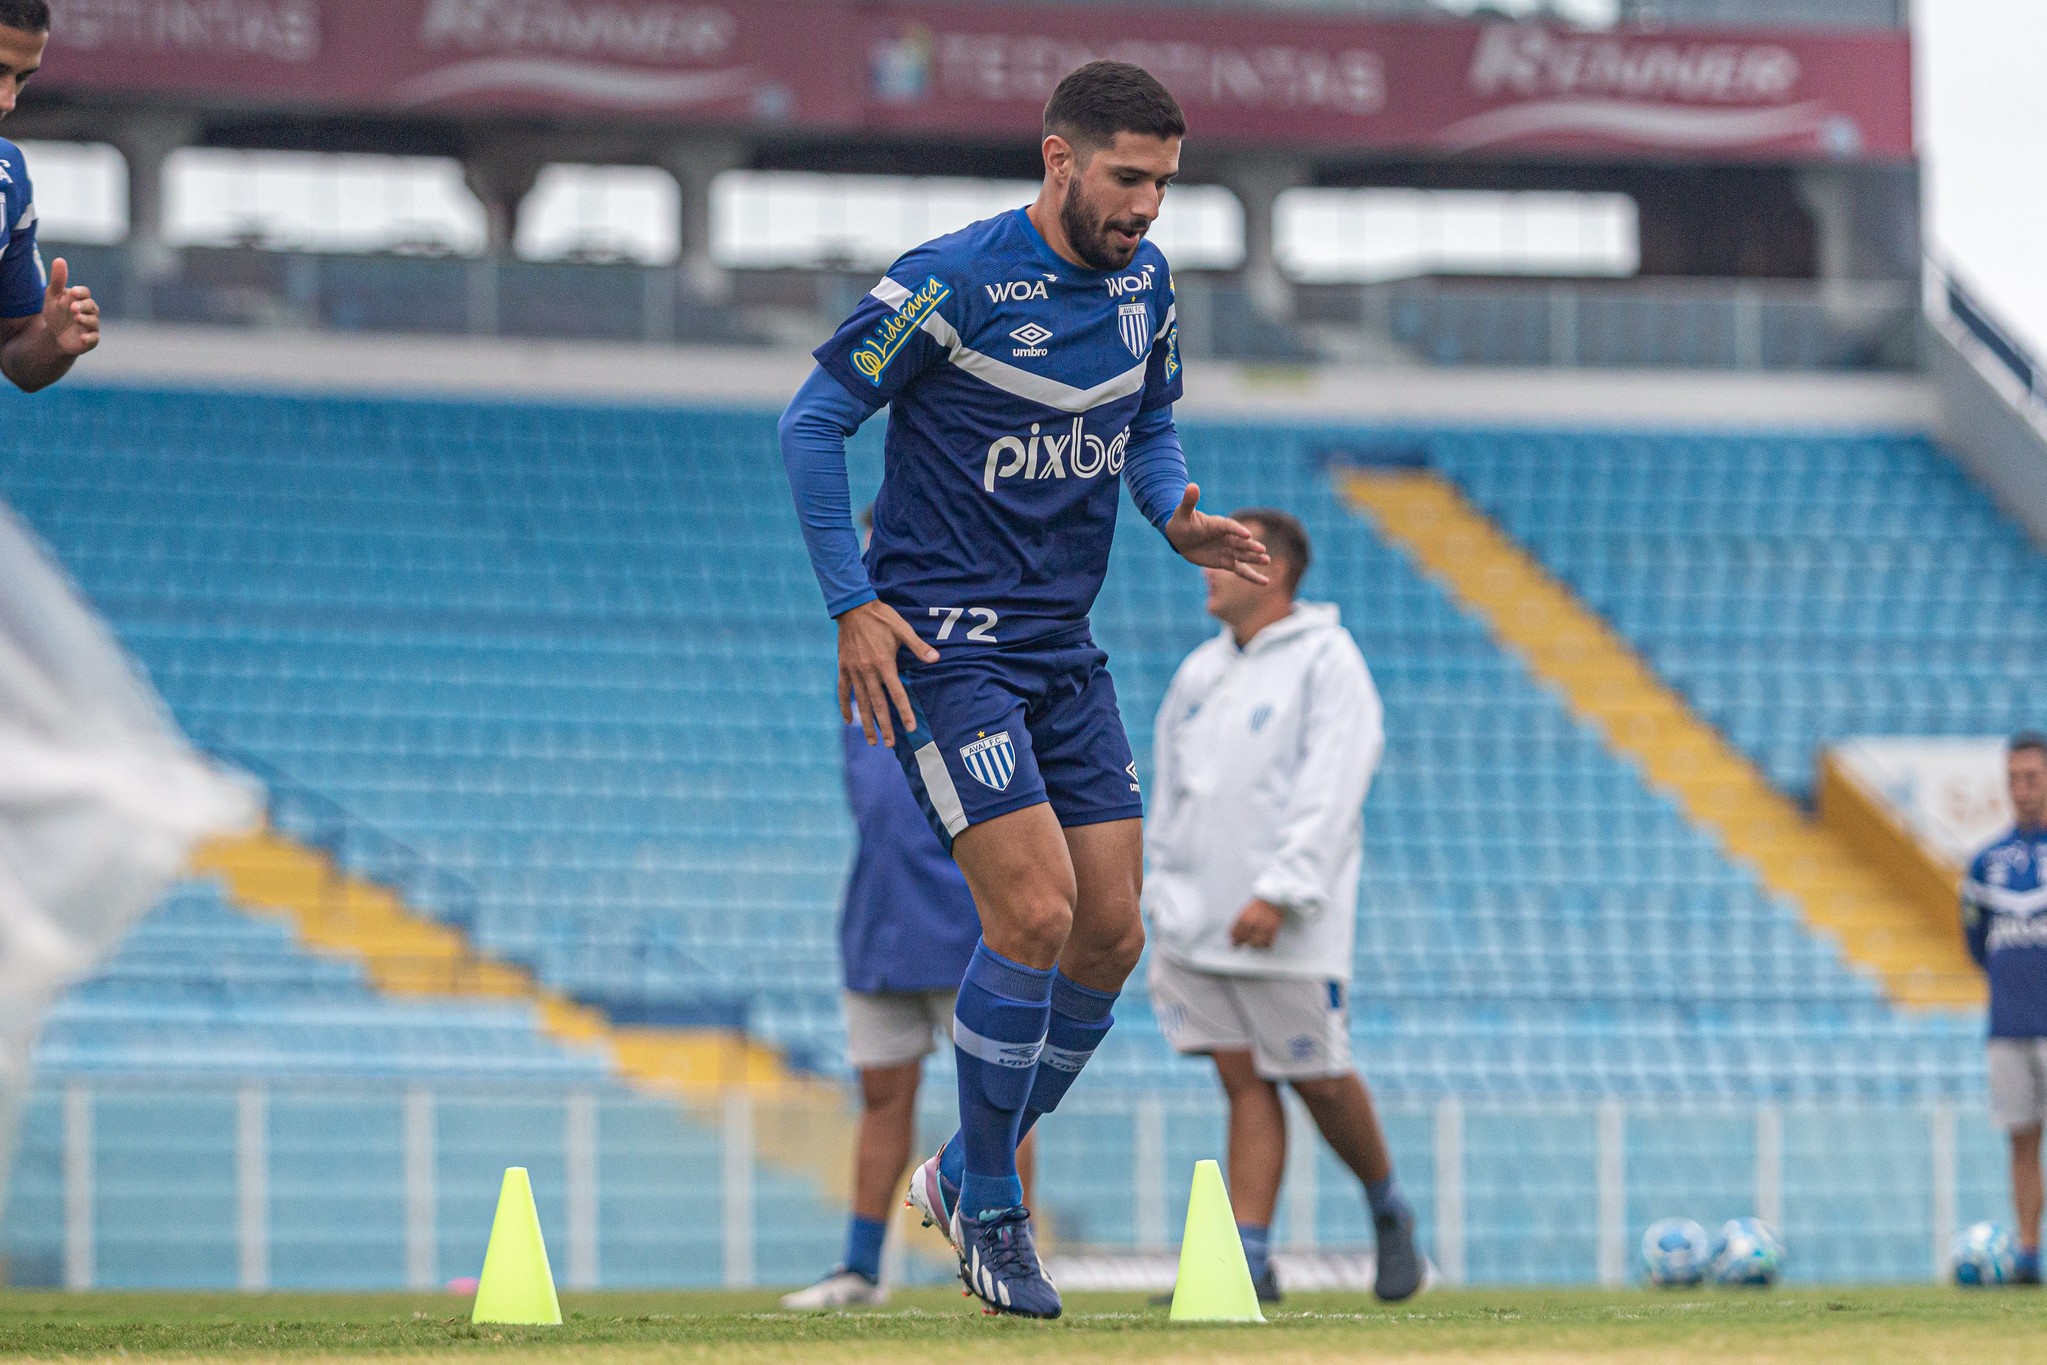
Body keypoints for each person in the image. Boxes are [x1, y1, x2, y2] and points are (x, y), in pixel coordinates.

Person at [778, 60, 1268, 1318]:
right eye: (1127, 178)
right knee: (1037, 915)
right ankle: (992, 1206)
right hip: (947, 650)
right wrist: (852, 602)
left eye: (1165, 182)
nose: (1149, 207)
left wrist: (1171, 516)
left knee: (1114, 932)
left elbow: (1148, 421)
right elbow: (811, 420)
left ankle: (964, 1167)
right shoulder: (952, 281)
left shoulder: (1148, 286)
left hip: (1063, 647)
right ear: (1059, 159)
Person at [1142, 508, 1422, 1304]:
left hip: (1285, 923)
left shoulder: (1327, 660)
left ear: (1269, 568)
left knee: (1318, 1075)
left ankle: (1387, 1209)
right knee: (1240, 1080)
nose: (1205, 567)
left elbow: (1332, 783)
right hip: (1197, 922)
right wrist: (1160, 886)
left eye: (1222, 556)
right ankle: (1249, 1257)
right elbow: (1171, 789)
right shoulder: (1199, 671)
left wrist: (1280, 888)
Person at [780, 703, 1034, 1309]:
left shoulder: (978, 692)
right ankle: (862, 1269)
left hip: (970, 929)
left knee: (1002, 1097)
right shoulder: (862, 701)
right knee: (881, 1100)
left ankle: (1011, 1249)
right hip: (880, 930)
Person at [1963, 730, 2047, 1286]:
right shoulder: (1984, 864)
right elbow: (1974, 943)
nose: (2022, 788)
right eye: (2014, 778)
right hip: (2009, 1026)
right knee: (2021, 1140)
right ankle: (2027, 1255)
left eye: (2032, 777)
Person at [0, 1, 99, 392]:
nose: (8, 100)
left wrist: (56, 342)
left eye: (21, 78)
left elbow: (14, 345)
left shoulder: (8, 177)